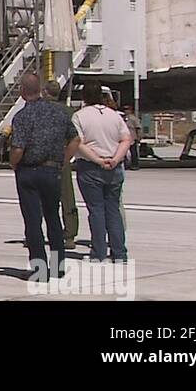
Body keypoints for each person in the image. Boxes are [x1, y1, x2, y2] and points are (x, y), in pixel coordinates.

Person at [9, 74, 81, 280]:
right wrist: (63, 159)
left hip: (29, 173)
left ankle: (40, 270)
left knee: (33, 222)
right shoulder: (58, 113)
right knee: (53, 218)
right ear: (39, 90)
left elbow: (18, 148)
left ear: (23, 91)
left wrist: (13, 163)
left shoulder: (22, 116)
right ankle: (58, 266)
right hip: (52, 171)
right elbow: (75, 139)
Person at [72, 82, 132, 263]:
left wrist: (98, 160)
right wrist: (115, 159)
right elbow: (126, 138)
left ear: (84, 97)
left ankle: (98, 252)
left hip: (91, 167)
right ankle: (119, 253)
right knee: (113, 210)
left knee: (96, 210)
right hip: (114, 166)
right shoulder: (114, 115)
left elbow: (78, 143)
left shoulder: (79, 116)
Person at [43, 80, 79, 250]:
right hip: (62, 158)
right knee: (67, 197)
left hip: (43, 160)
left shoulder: (40, 111)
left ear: (45, 92)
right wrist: (67, 158)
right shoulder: (67, 111)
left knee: (43, 199)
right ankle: (70, 234)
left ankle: (43, 232)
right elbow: (75, 137)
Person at [122, 105, 142, 170]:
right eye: (125, 109)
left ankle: (135, 164)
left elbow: (138, 128)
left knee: (133, 152)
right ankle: (125, 164)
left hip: (132, 137)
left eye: (127, 109)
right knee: (123, 152)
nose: (126, 111)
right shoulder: (122, 118)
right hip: (124, 137)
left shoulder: (134, 118)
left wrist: (139, 137)